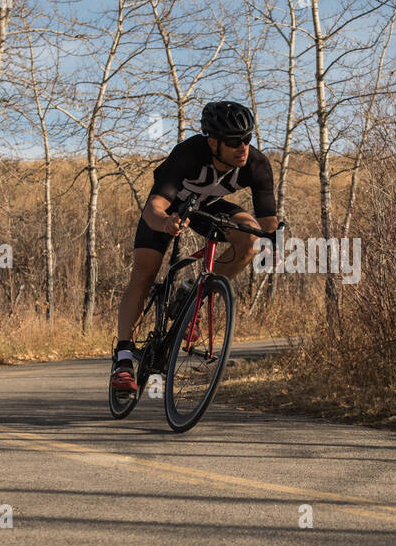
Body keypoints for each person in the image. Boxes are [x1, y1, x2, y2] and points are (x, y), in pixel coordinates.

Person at [110, 100, 278, 392]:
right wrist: (164, 223)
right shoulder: (188, 155)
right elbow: (153, 207)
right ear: (213, 142)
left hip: (209, 208)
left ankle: (192, 295)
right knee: (144, 274)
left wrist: (272, 240)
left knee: (250, 238)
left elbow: (268, 223)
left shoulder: (256, 164)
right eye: (234, 141)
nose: (243, 147)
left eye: (248, 138)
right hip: (169, 211)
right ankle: (124, 358)